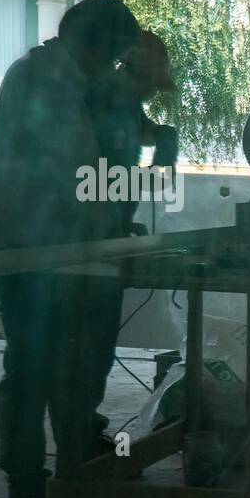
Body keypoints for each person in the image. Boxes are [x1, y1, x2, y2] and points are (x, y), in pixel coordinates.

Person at [0, 0, 141, 498]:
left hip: (56, 250)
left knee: (69, 361)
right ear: (95, 48)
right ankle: (28, 487)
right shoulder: (44, 81)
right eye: (115, 58)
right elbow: (69, 177)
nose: (114, 69)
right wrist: (110, 219)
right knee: (34, 367)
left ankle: (74, 459)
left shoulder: (65, 80)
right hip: (30, 252)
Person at [81, 29, 179, 441]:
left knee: (98, 344)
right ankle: (80, 440)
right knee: (89, 344)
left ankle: (84, 430)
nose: (150, 93)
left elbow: (139, 139)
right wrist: (111, 222)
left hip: (108, 235)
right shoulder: (108, 98)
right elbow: (96, 174)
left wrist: (162, 139)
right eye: (148, 84)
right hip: (87, 243)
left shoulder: (128, 103)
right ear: (133, 70)